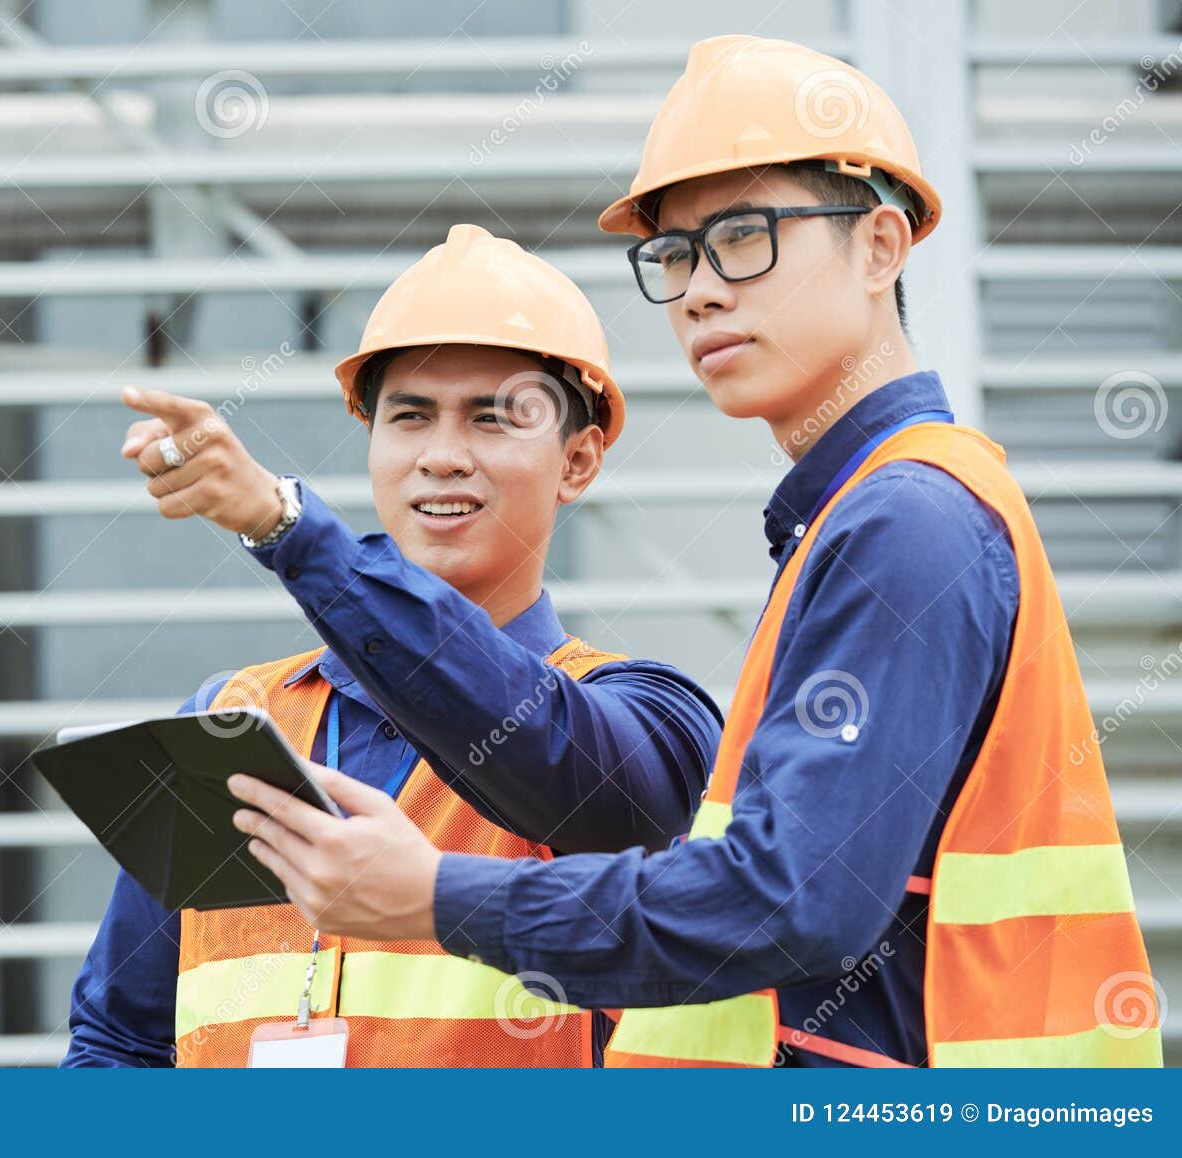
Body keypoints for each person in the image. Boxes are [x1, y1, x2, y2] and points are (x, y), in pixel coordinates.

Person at [228, 36, 1163, 1068]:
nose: (699, 292)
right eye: (674, 256)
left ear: (881, 248)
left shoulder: (908, 520)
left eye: (744, 237)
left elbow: (791, 900)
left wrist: (436, 899)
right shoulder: (860, 517)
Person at [61, 223, 722, 1067]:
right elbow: (122, 1038)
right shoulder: (229, 722)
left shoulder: (644, 724)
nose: (443, 456)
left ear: (579, 460)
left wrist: (287, 527)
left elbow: (564, 768)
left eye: (494, 418)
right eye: (410, 416)